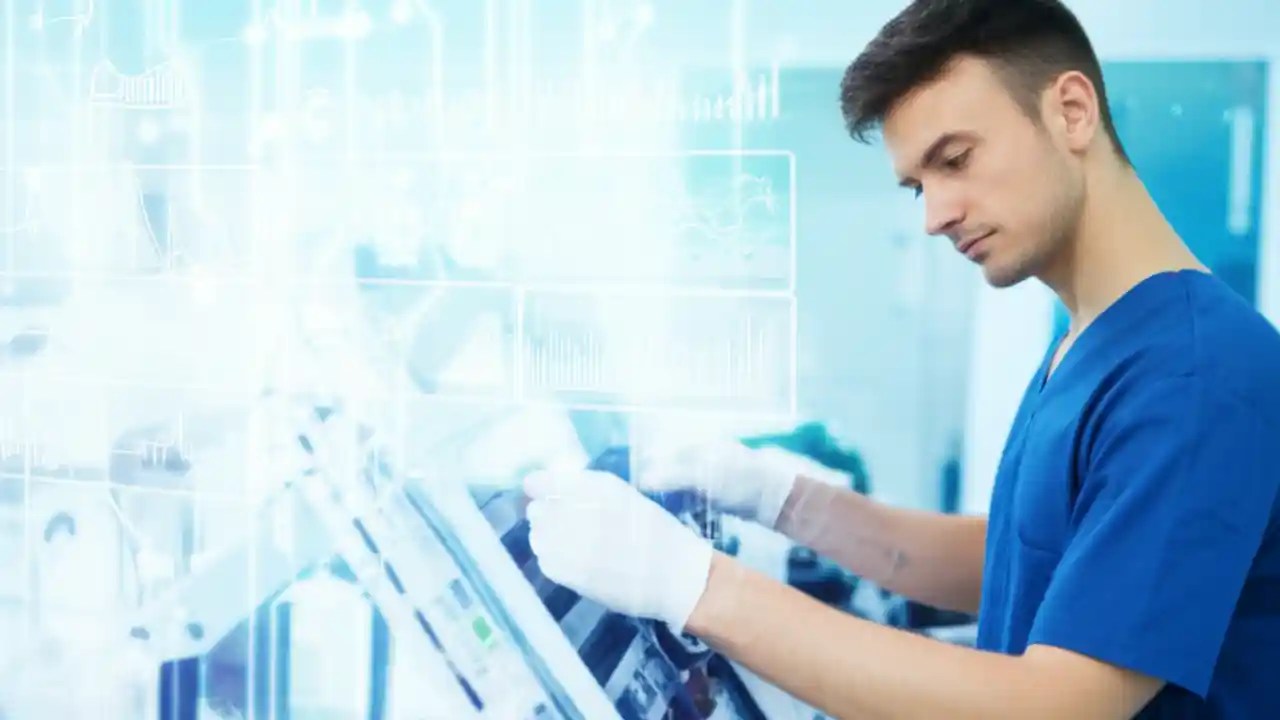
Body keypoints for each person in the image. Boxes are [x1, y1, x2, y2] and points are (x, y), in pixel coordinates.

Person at [523, 0, 1280, 717]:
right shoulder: (1089, 337)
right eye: (919, 184)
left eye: (956, 159)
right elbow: (1030, 563)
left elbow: (1057, 706)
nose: (934, 215)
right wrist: (785, 497)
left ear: (1071, 111)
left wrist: (692, 586)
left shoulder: (1194, 372)